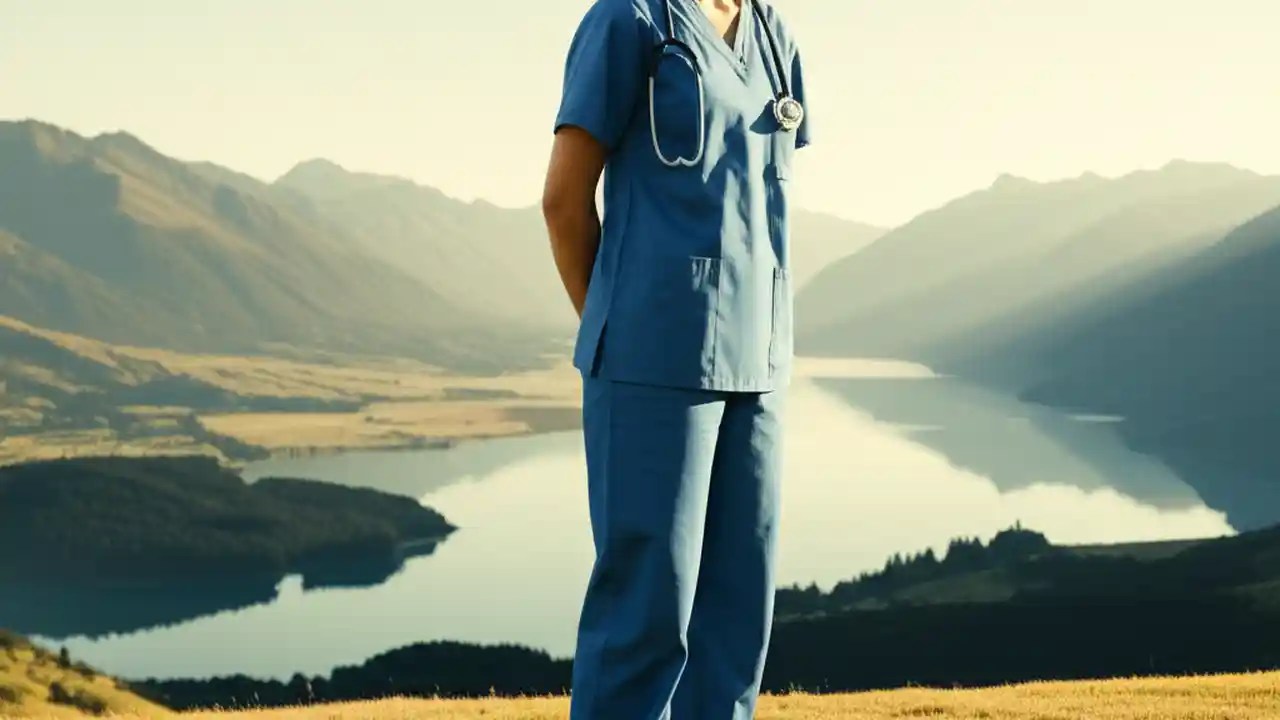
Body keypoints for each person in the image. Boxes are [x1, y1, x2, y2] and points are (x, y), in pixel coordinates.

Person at [541, 0, 811, 717]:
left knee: (735, 620)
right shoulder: (629, 21)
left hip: (759, 364)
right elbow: (564, 203)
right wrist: (626, 325)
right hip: (652, 365)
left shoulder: (773, 36)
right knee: (644, 617)